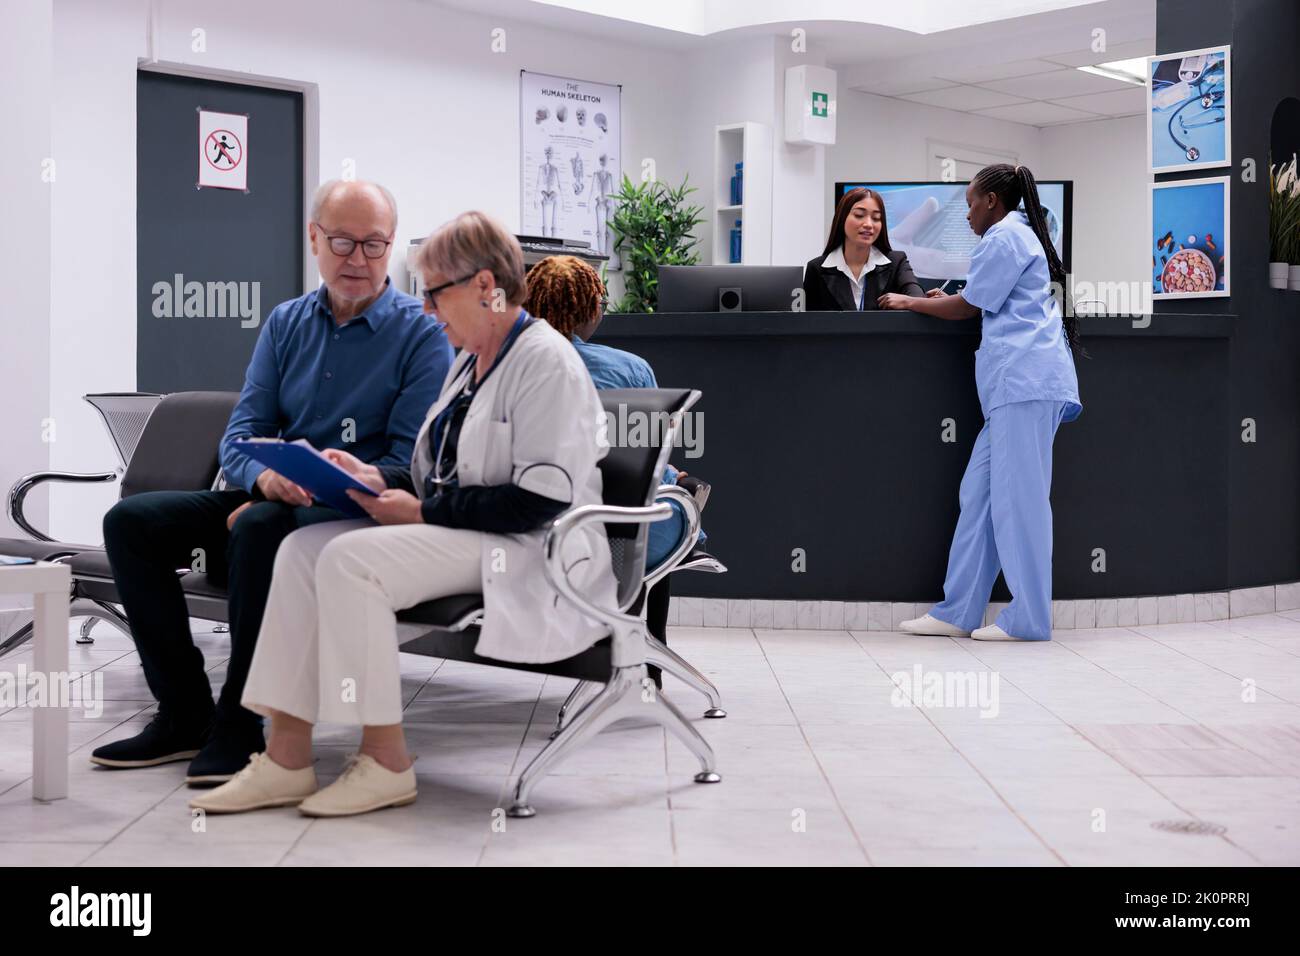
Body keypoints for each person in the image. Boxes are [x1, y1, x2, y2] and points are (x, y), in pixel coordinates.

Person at [190, 212, 617, 817]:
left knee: (349, 561)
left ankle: (386, 761)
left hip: (528, 546)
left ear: (484, 285)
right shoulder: (470, 363)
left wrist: (422, 511)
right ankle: (285, 757)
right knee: (299, 551)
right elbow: (441, 472)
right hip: (470, 531)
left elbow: (538, 499)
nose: (425, 310)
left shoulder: (544, 362)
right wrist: (372, 479)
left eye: (434, 293)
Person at [91, 180, 453, 781]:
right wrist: (264, 479)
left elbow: (409, 463)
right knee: (131, 522)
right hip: (271, 498)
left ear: (391, 248)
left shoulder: (422, 333)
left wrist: (307, 484)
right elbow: (239, 437)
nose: (358, 259)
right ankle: (183, 714)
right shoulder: (287, 323)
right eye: (342, 242)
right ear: (313, 238)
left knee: (259, 528)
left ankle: (241, 725)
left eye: (374, 245)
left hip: (361, 509)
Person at [879, 164, 1082, 642]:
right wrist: (940, 299)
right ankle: (958, 610)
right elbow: (978, 298)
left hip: (1024, 385)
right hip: (1019, 388)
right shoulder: (1019, 235)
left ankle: (1029, 618)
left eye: (971, 203)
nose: (967, 213)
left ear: (992, 200)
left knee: (1021, 503)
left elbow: (969, 307)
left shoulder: (1004, 237)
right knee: (981, 496)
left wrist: (912, 303)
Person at [523, 255, 706, 664]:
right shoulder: (630, 370)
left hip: (530, 530)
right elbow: (647, 463)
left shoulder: (507, 366)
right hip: (617, 535)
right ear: (590, 310)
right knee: (663, 496)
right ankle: (650, 652)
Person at [803, 187, 923, 311]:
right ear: (842, 218)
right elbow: (810, 323)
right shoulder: (816, 268)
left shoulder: (897, 262)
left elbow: (918, 298)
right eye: (859, 215)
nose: (868, 224)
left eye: (876, 218)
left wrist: (906, 301)